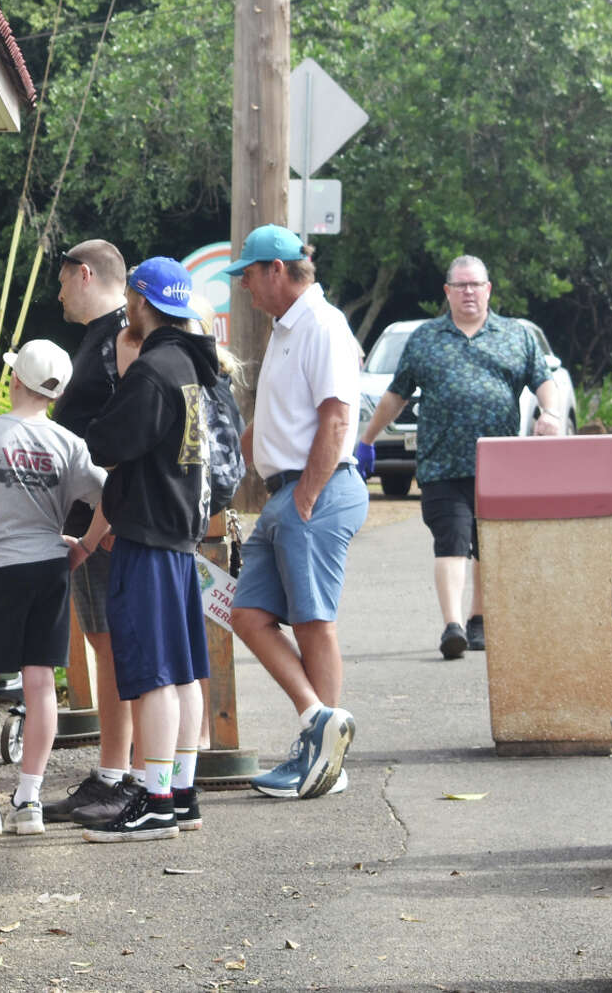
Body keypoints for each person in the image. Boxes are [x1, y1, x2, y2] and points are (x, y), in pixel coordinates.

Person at [70, 256, 224, 841]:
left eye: (130, 301)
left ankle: (156, 800)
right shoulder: (190, 366)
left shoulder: (153, 371)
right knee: (182, 672)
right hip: (180, 534)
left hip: (149, 535)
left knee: (155, 673)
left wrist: (94, 424)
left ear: (138, 301)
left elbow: (108, 443)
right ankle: (181, 793)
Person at [0, 341, 107, 840]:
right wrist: (86, 547)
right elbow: (110, 496)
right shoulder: (69, 443)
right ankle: (28, 801)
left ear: (15, 381)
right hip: (52, 567)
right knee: (41, 683)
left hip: (1, 570)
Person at [357, 255, 566, 658]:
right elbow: (396, 395)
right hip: (441, 463)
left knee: (488, 545)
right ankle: (451, 625)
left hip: (499, 465)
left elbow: (544, 382)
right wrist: (366, 440)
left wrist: (551, 413)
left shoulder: (515, 336)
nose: (469, 292)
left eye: (476, 285)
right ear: (447, 292)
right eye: (461, 285)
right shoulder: (426, 339)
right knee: (450, 540)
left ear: (488, 289)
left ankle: (479, 620)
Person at [223, 225, 368, 801]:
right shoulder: (288, 327)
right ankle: (317, 722)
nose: (246, 288)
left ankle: (328, 765)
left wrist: (305, 496)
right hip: (288, 493)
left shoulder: (322, 324)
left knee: (312, 622)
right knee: (247, 613)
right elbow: (277, 419)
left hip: (317, 489)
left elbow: (335, 418)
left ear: (277, 270)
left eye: (250, 275)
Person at [43, 239, 142, 828]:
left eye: (62, 282)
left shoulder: (117, 342)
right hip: (93, 522)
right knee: (107, 647)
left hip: (104, 527)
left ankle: (116, 776)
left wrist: (102, 524)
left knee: (113, 649)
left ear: (85, 274)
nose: (57, 294)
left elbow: (121, 447)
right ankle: (117, 772)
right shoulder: (105, 339)